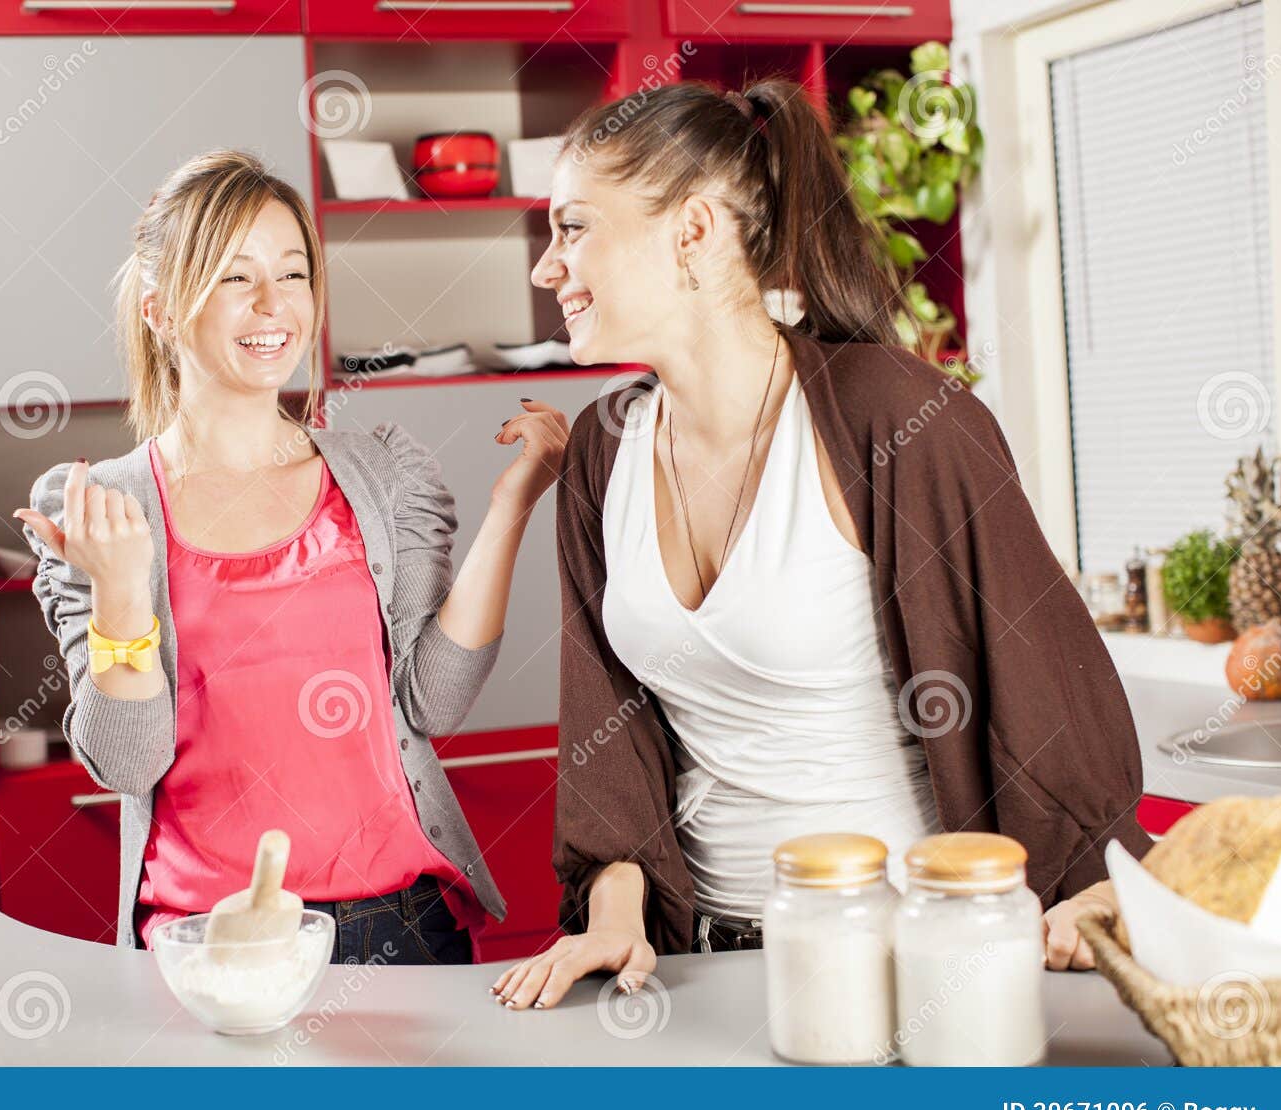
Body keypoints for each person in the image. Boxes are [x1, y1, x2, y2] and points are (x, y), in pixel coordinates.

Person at [491, 80, 1151, 1010]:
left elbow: (1044, 682)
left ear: (692, 230)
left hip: (908, 961)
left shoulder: (899, 419)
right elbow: (612, 730)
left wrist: (1096, 885)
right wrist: (612, 911)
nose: (546, 268)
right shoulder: (604, 446)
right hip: (701, 965)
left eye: (573, 228)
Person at [15, 150, 568, 962]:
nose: (275, 306)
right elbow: (129, 762)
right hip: (213, 938)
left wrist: (513, 506)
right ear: (161, 311)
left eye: (294, 273)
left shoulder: (381, 475)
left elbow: (431, 703)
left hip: (401, 925)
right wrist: (123, 596)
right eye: (236, 278)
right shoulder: (106, 510)